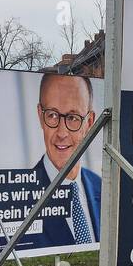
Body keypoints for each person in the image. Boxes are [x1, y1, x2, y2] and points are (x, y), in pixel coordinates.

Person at [30, 73, 101, 245]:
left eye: (73, 118)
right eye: (53, 115)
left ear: (89, 123)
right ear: (40, 116)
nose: (62, 133)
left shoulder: (103, 188)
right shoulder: (9, 205)